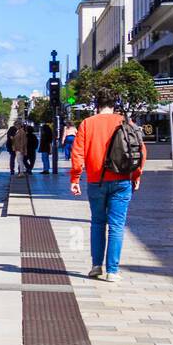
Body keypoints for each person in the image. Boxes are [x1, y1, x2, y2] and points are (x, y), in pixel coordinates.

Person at [69, 88, 147, 282]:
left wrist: (75, 178)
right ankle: (112, 271)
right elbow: (140, 150)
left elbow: (77, 154)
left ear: (97, 104)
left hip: (96, 180)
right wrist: (136, 175)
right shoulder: (126, 122)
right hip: (122, 180)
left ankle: (96, 266)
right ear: (115, 103)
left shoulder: (87, 124)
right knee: (117, 226)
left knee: (97, 222)